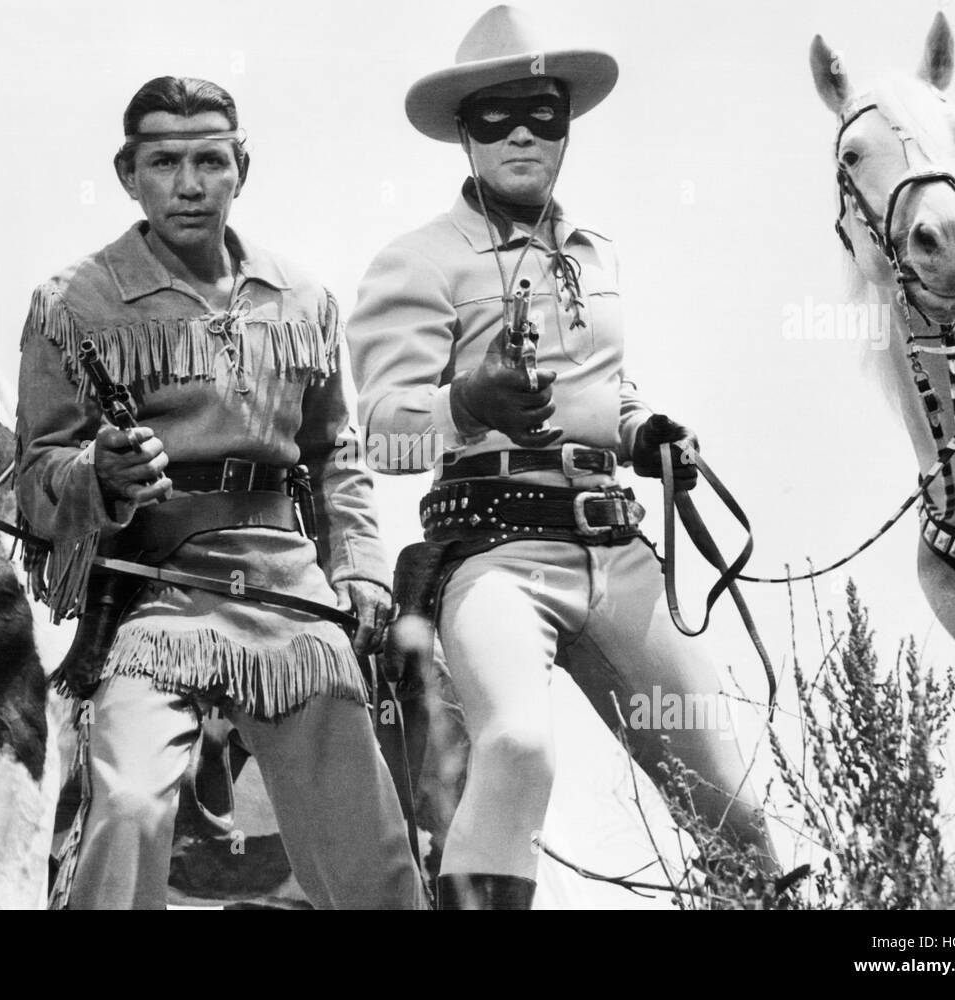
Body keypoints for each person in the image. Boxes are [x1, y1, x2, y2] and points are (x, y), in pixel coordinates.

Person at [347, 6, 778, 909]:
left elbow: (606, 393)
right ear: (464, 131)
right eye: (496, 114)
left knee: (734, 803)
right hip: (494, 556)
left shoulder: (596, 254)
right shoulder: (417, 261)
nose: (520, 134)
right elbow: (382, 428)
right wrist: (469, 401)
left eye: (542, 113)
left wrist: (645, 429)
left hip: (617, 556)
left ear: (567, 127)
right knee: (517, 748)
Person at [15, 75, 424, 910]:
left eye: (210, 160)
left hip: (291, 598)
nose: (190, 185)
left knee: (373, 853)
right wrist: (97, 475)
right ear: (128, 173)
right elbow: (35, 475)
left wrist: (364, 565)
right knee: (126, 806)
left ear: (243, 168)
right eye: (164, 162)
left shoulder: (303, 300)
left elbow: (333, 451)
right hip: (152, 599)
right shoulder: (72, 302)